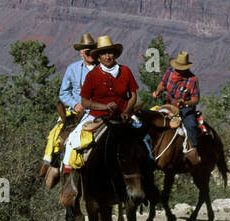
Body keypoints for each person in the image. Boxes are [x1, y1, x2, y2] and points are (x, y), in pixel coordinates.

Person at [60, 35, 139, 204]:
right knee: (73, 140)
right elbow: (85, 101)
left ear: (115, 54)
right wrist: (103, 107)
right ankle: (70, 184)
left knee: (144, 136)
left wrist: (127, 110)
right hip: (97, 116)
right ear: (100, 56)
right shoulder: (93, 75)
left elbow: (133, 95)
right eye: (104, 54)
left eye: (111, 53)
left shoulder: (125, 71)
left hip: (123, 115)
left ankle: (146, 178)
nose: (108, 56)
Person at [42, 33, 97, 187]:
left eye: (93, 51)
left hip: (98, 112)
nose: (91, 54)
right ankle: (53, 166)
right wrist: (75, 104)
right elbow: (63, 93)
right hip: (76, 113)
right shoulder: (72, 69)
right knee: (57, 137)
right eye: (87, 52)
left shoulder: (103, 69)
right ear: (81, 53)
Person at [154, 50, 202, 166]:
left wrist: (185, 102)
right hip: (168, 104)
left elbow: (196, 99)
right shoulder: (169, 71)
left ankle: (193, 150)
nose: (178, 70)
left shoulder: (192, 79)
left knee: (191, 125)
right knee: (152, 119)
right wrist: (158, 91)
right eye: (177, 67)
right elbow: (162, 84)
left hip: (185, 109)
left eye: (181, 68)